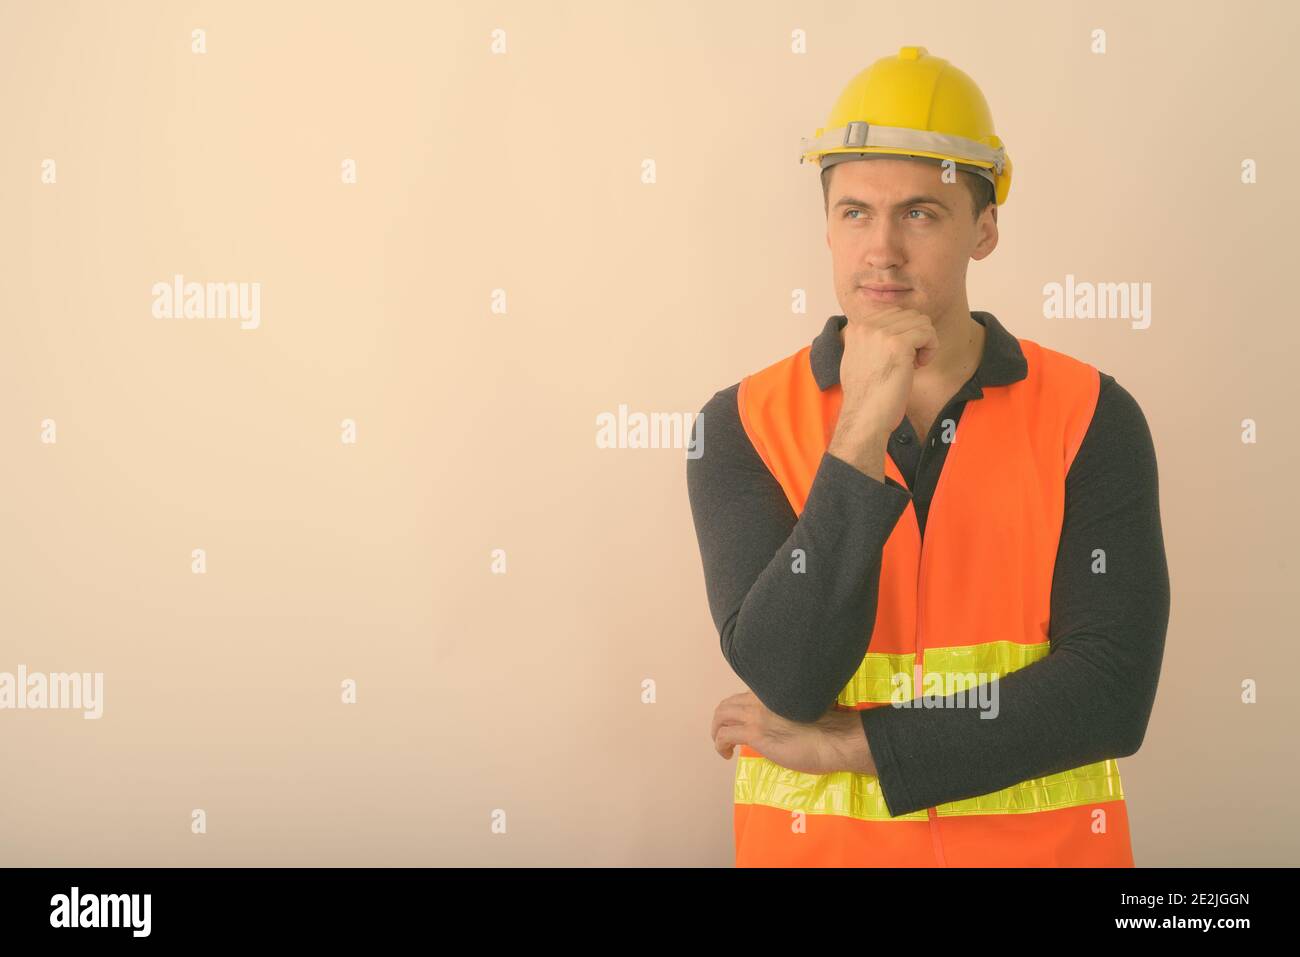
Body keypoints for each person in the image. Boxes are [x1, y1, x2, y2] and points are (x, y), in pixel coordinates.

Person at [686, 47, 1169, 867]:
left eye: (920, 213)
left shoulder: (1092, 414)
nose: (882, 248)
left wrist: (862, 744)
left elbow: (1110, 694)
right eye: (854, 213)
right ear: (827, 225)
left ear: (984, 228)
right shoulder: (739, 424)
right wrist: (856, 440)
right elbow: (787, 678)